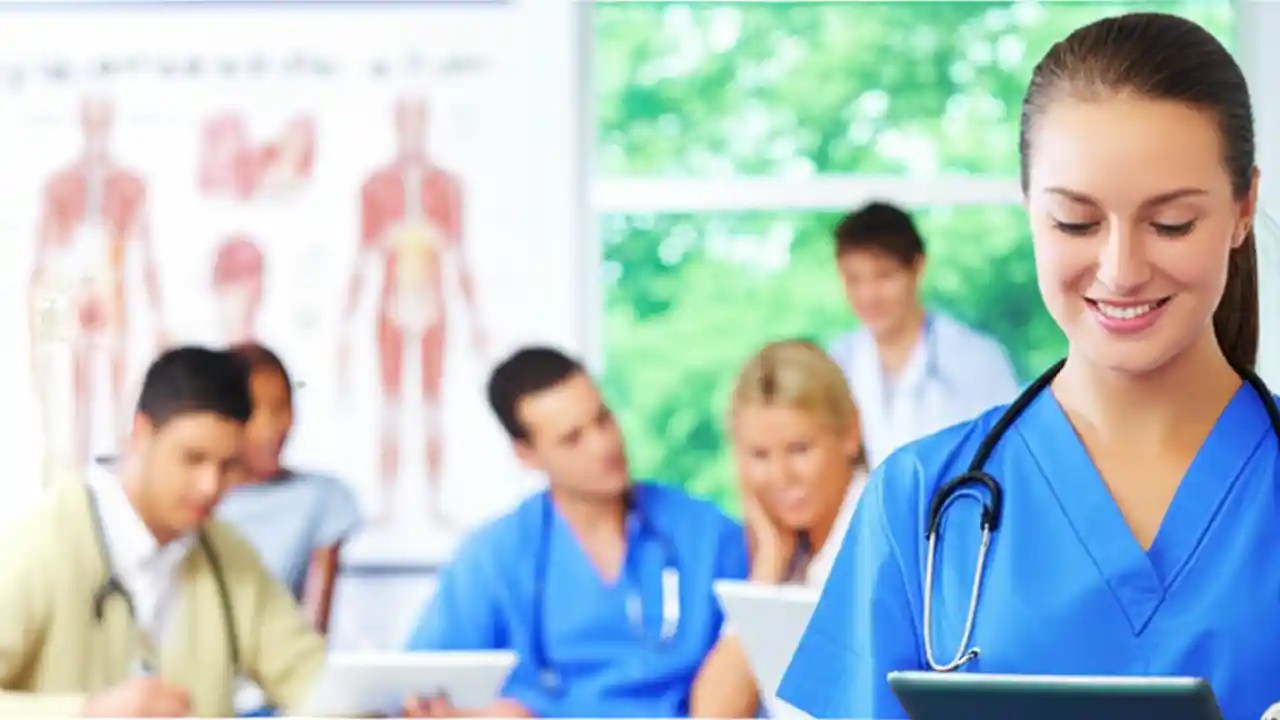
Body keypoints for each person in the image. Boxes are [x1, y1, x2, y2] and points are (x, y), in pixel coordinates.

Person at [779, 12, 1278, 720]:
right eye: (1076, 222)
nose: (1122, 268)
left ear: (1242, 208)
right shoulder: (919, 499)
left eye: (1170, 223)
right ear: (1028, 211)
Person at [403, 346, 749, 718]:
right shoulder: (492, 558)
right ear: (527, 455)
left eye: (603, 419)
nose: (604, 445)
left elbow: (761, 663)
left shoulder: (707, 534)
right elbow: (418, 693)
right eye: (572, 438)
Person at [0, 347, 326, 716]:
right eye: (193, 458)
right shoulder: (42, 544)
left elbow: (309, 678)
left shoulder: (228, 555)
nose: (210, 485)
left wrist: (385, 707)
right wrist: (86, 713)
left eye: (228, 465)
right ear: (141, 433)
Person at [690, 339, 869, 718]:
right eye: (759, 455)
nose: (781, 477)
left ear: (850, 433)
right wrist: (769, 565)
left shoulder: (885, 537)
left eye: (800, 449)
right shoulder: (780, 550)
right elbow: (713, 714)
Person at [339, 93, 487, 526]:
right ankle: (386, 501)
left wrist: (476, 318)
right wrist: (346, 322)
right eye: (405, 122)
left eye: (418, 122)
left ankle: (434, 499)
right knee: (391, 404)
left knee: (430, 404)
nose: (412, 131)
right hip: (391, 304)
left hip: (433, 305)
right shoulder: (376, 186)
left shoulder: (446, 186)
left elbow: (459, 256)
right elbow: (363, 257)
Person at [827, 201, 1019, 468]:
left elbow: (1009, 461)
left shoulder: (977, 360)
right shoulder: (834, 364)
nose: (868, 295)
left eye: (883, 276)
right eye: (854, 280)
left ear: (917, 267)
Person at [217, 343, 362, 633]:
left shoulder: (322, 499)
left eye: (283, 406)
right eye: (257, 410)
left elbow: (311, 636)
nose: (275, 425)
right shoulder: (196, 500)